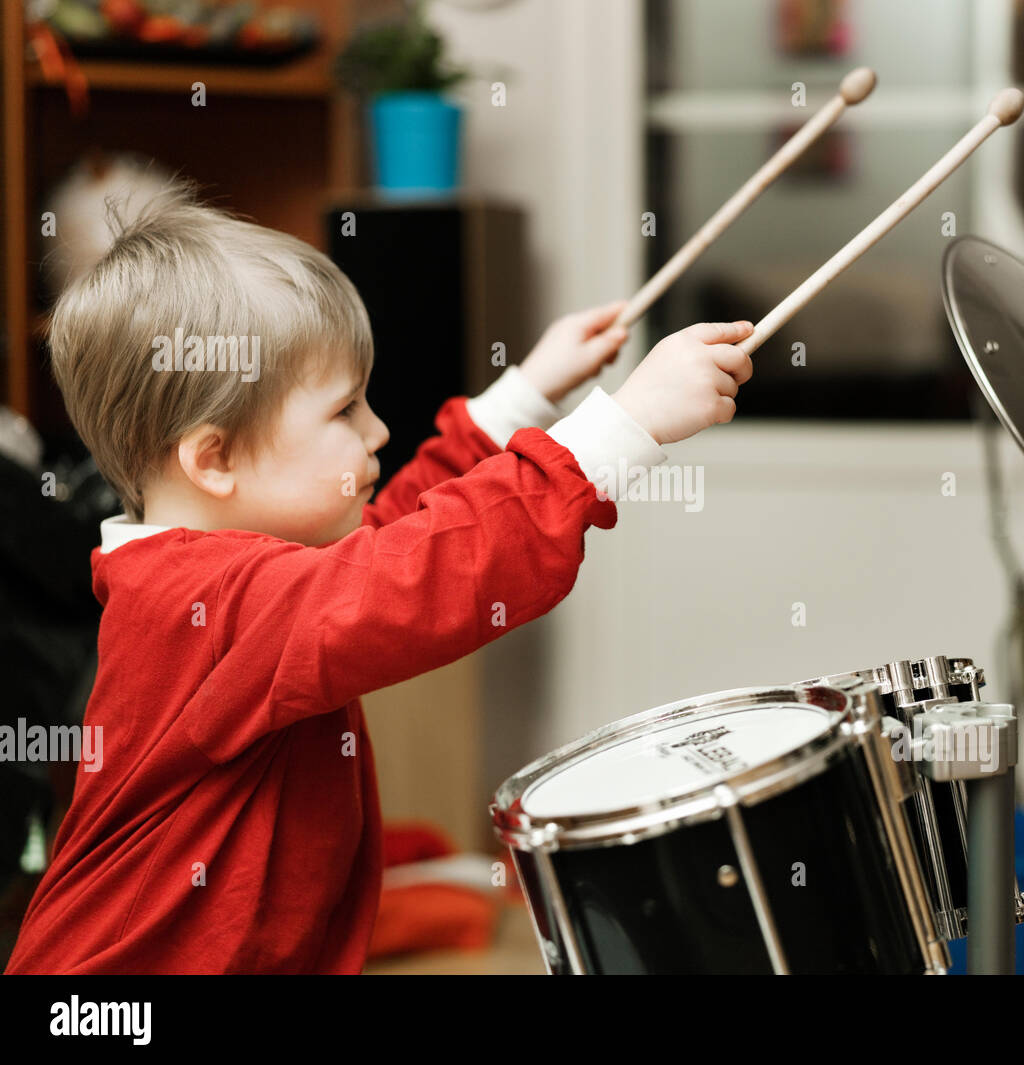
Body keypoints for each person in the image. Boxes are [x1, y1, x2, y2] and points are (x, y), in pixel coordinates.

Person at [5, 183, 753, 974]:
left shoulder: (231, 575)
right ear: (213, 458)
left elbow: (391, 534)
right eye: (345, 410)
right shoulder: (201, 603)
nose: (379, 430)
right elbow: (410, 577)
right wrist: (618, 432)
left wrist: (524, 395)